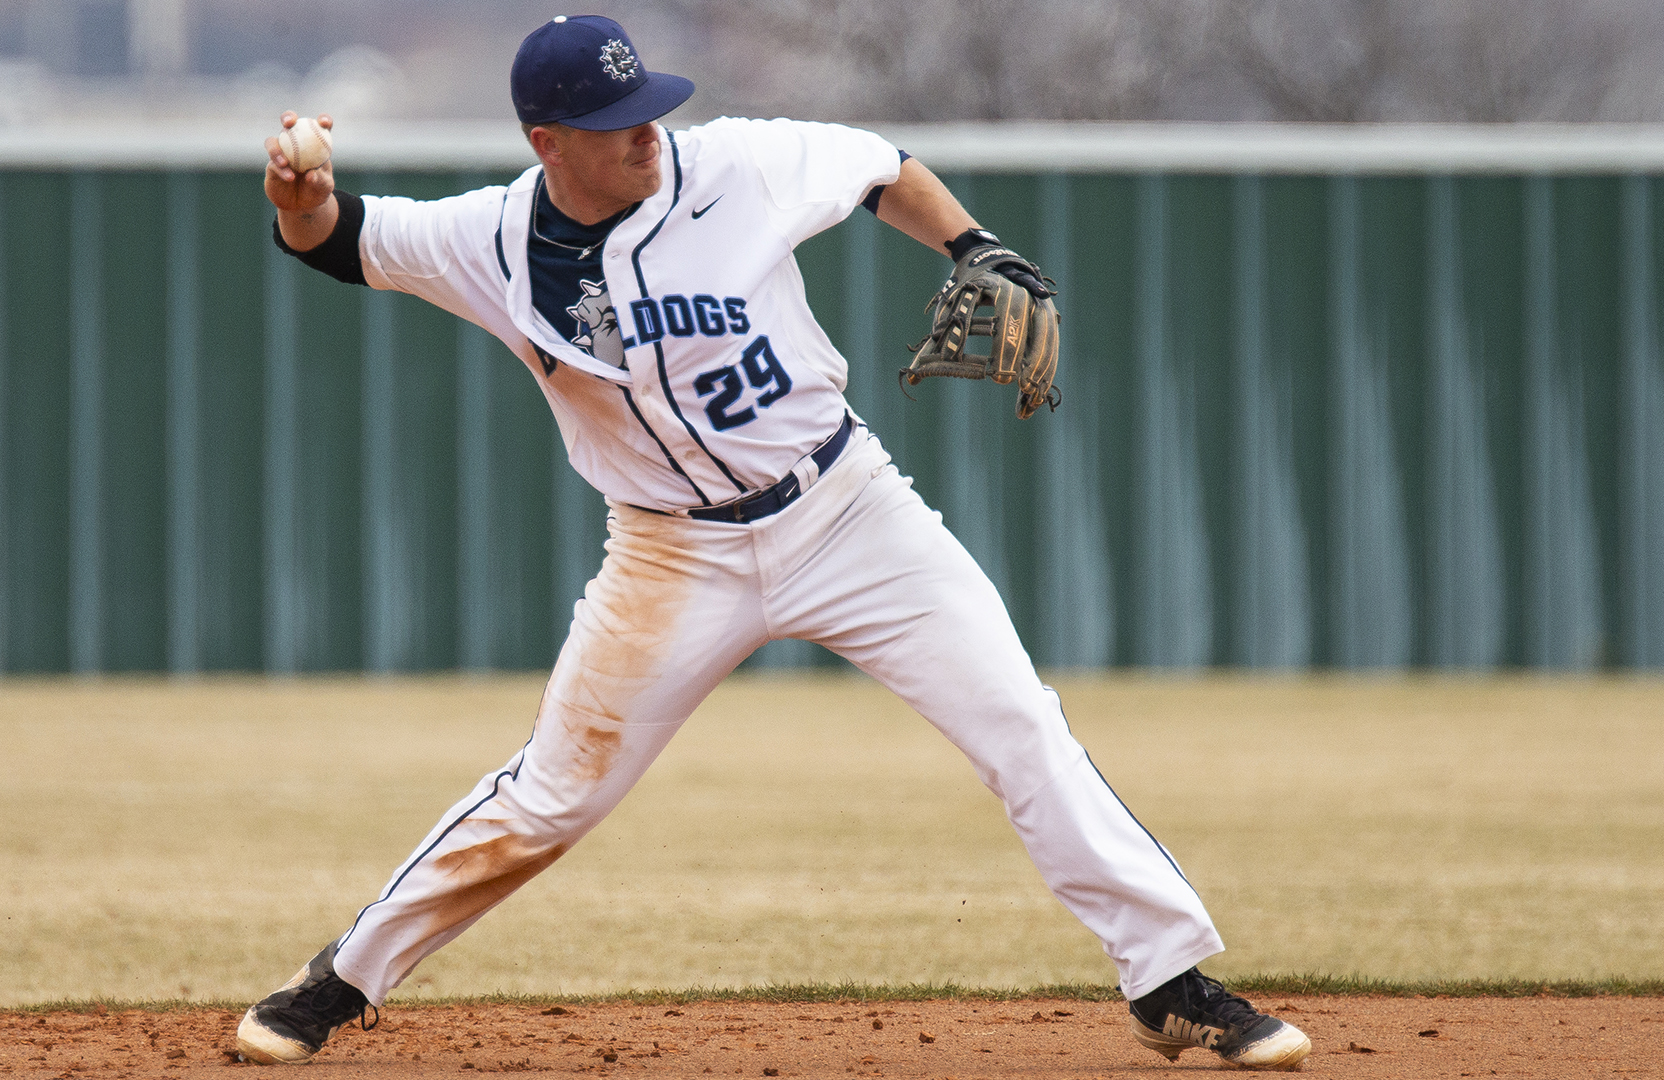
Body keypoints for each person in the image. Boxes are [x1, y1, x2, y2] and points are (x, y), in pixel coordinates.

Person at [236, 14, 1310, 1072]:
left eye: (646, 106)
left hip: (845, 510)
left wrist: (974, 243)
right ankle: (337, 983)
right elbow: (343, 243)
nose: (646, 132)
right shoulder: (494, 242)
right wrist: (303, 199)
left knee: (1021, 727)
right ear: (546, 143)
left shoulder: (737, 163)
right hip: (670, 557)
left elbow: (881, 166)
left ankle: (1170, 983)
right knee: (551, 799)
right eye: (615, 122)